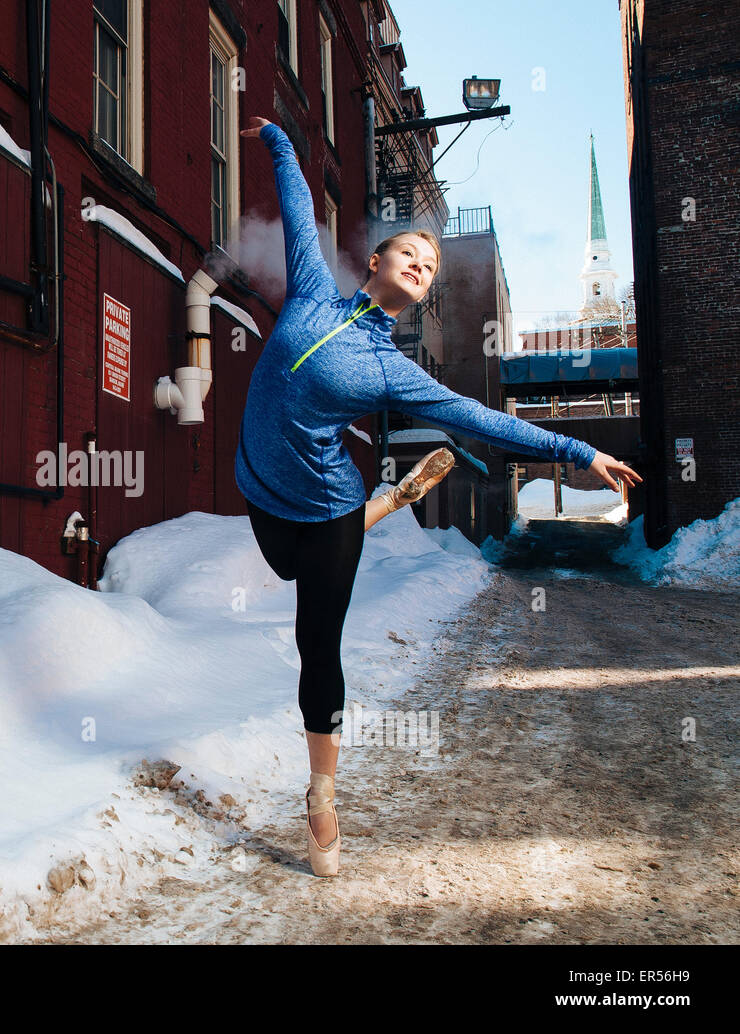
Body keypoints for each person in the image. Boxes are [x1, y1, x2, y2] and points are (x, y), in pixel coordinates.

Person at [234, 116, 642, 877]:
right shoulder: (314, 289)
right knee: (284, 566)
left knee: (314, 643)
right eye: (412, 251)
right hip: (259, 485)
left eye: (433, 263)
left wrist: (579, 449)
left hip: (325, 504)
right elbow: (297, 206)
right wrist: (283, 140)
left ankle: (322, 792)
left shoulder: (395, 371)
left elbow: (485, 420)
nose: (424, 263)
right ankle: (387, 503)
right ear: (377, 259)